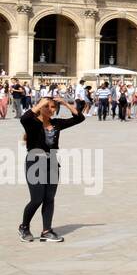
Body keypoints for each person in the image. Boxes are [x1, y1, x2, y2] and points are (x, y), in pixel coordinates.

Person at [19, 94, 85, 242]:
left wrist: (66, 103)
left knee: (49, 198)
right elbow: (24, 118)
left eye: (53, 107)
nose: (50, 109)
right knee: (36, 199)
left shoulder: (56, 124)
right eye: (46, 106)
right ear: (41, 107)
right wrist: (39, 104)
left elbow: (79, 118)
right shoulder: (32, 123)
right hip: (34, 163)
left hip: (52, 164)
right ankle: (24, 227)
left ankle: (46, 231)